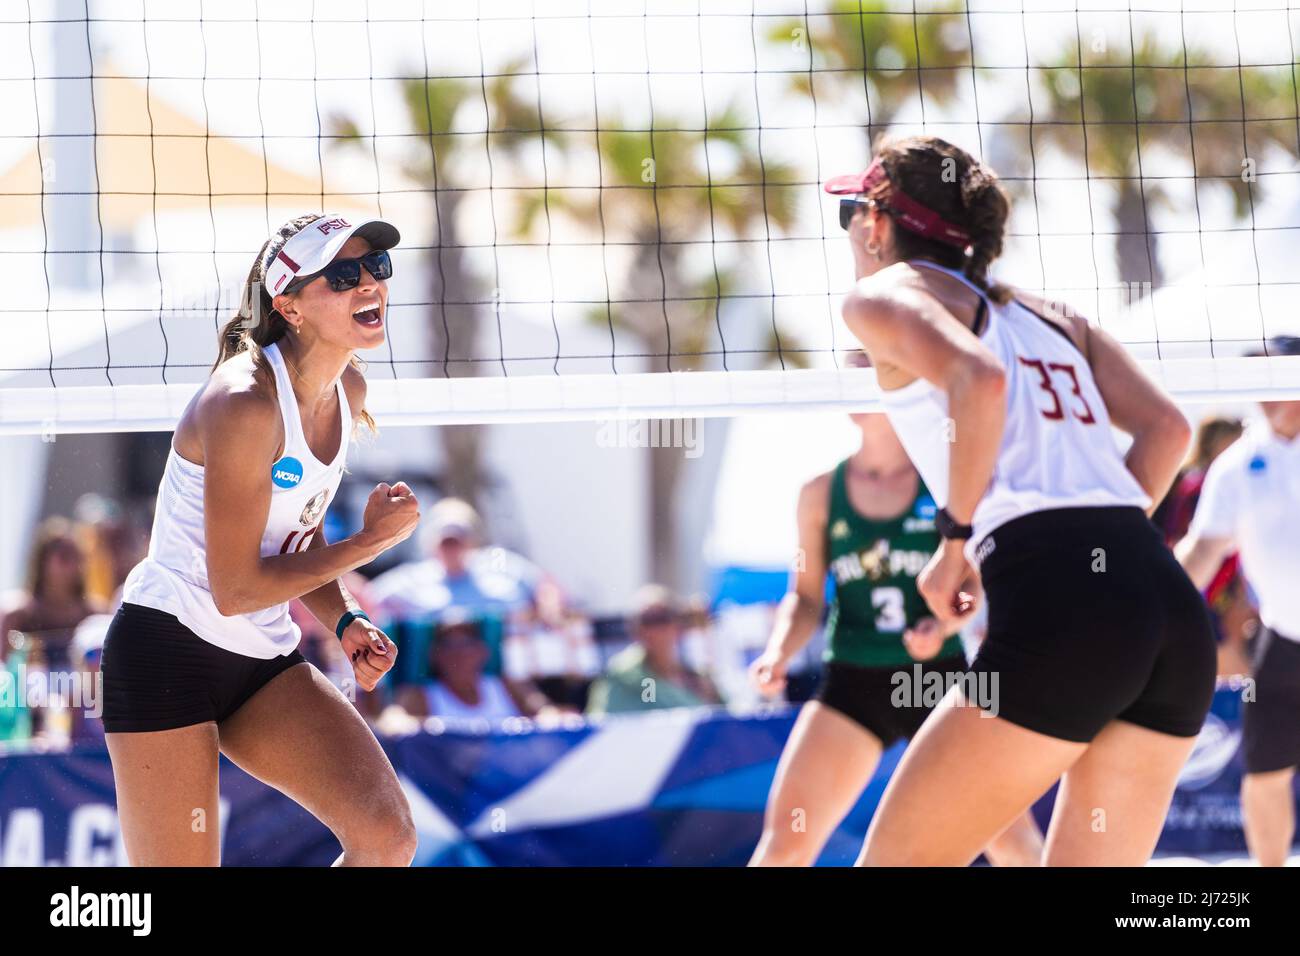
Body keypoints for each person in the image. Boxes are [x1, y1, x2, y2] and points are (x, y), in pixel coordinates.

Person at [829, 135, 1215, 866]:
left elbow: (981, 382)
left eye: (851, 211)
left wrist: (955, 545)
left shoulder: (883, 295)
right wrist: (1086, 550)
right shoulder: (1051, 315)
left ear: (877, 225)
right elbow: (1168, 430)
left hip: (1065, 609)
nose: (850, 229)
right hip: (1165, 606)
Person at [101, 213, 421, 866]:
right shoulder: (242, 404)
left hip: (260, 663)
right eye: (341, 274)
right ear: (289, 306)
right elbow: (237, 588)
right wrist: (369, 544)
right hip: (167, 653)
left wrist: (346, 617)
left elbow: (298, 540)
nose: (369, 284)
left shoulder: (347, 389)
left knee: (386, 839)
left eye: (375, 268)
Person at [748, 379, 1042, 866]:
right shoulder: (820, 494)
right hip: (852, 683)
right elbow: (803, 597)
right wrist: (777, 653)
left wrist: (943, 626)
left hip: (938, 681)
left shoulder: (947, 485)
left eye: (868, 370)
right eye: (848, 372)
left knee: (1011, 840)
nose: (854, 384)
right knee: (786, 842)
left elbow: (973, 584)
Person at [1176, 335, 1300, 866]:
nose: (1266, 388)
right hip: (1283, 637)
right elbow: (1203, 548)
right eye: (1259, 374)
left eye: (1277, 374)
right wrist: (1154, 600)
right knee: (1264, 773)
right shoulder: (1238, 462)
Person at [1157, 415, 1256, 676]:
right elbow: (1186, 539)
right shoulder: (1199, 485)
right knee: (1227, 664)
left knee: (1231, 664)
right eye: (1233, 440)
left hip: (1217, 589)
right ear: (1215, 443)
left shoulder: (1207, 482)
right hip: (1205, 589)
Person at [585, 585, 722, 715]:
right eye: (645, 621)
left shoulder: (697, 678)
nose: (653, 630)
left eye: (661, 618)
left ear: (678, 625)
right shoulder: (632, 678)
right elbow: (648, 715)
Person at [1, 517, 106, 675]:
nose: (72, 565)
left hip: (83, 699)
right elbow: (3, 669)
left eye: (76, 557)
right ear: (42, 561)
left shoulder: (96, 615)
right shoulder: (18, 615)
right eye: (63, 557)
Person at [395, 612, 527, 722]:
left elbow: (545, 712)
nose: (458, 653)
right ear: (435, 655)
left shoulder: (507, 685)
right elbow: (393, 723)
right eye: (448, 645)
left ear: (482, 651)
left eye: (465, 644)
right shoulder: (419, 694)